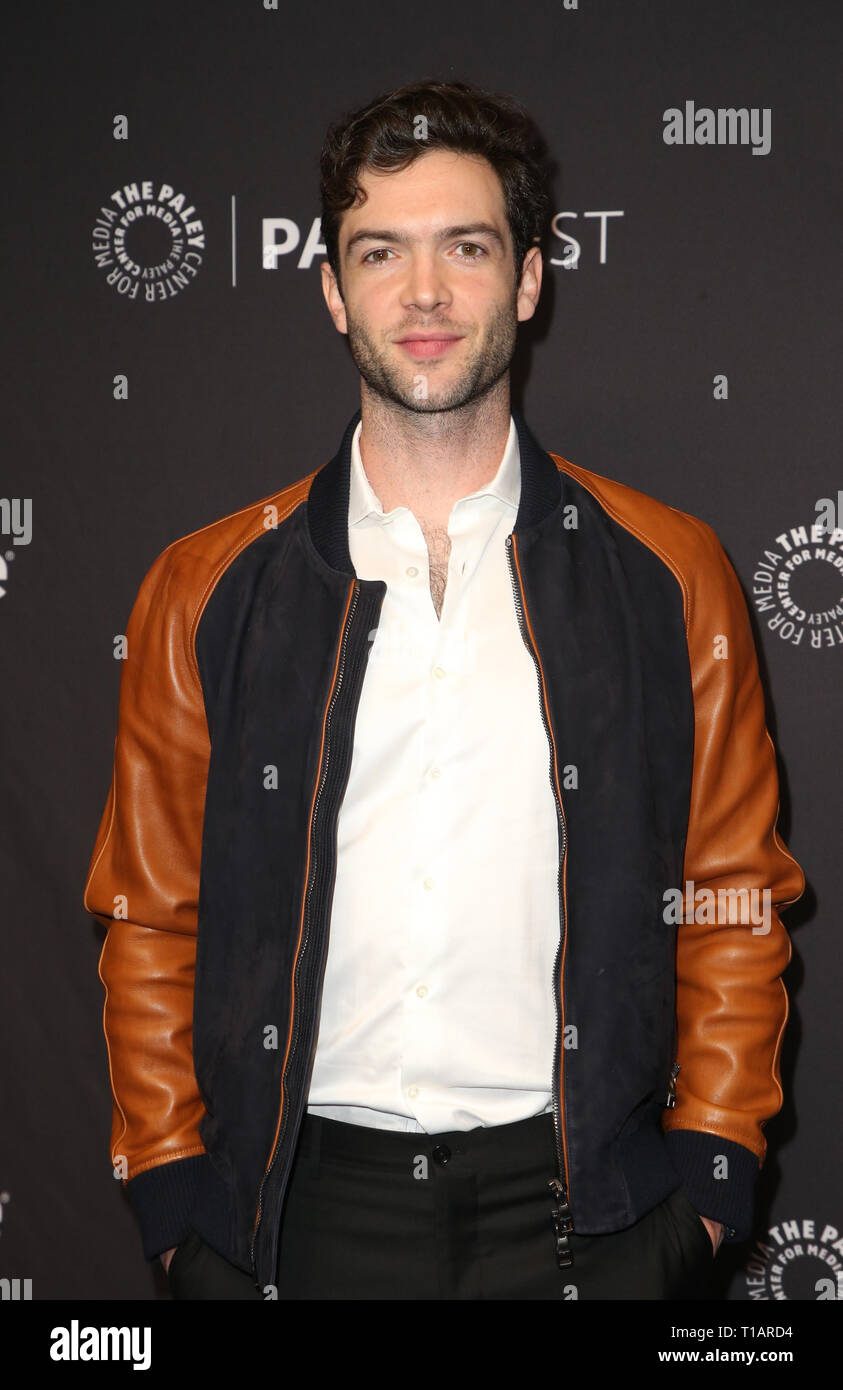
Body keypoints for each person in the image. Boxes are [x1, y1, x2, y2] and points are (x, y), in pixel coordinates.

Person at [83, 78, 805, 1301]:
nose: (424, 293)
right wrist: (168, 1191)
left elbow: (731, 894)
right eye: (381, 251)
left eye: (465, 247)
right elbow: (151, 917)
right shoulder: (206, 587)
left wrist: (714, 1179)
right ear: (330, 288)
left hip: (593, 1209)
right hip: (290, 1214)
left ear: (528, 281)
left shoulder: (671, 573)